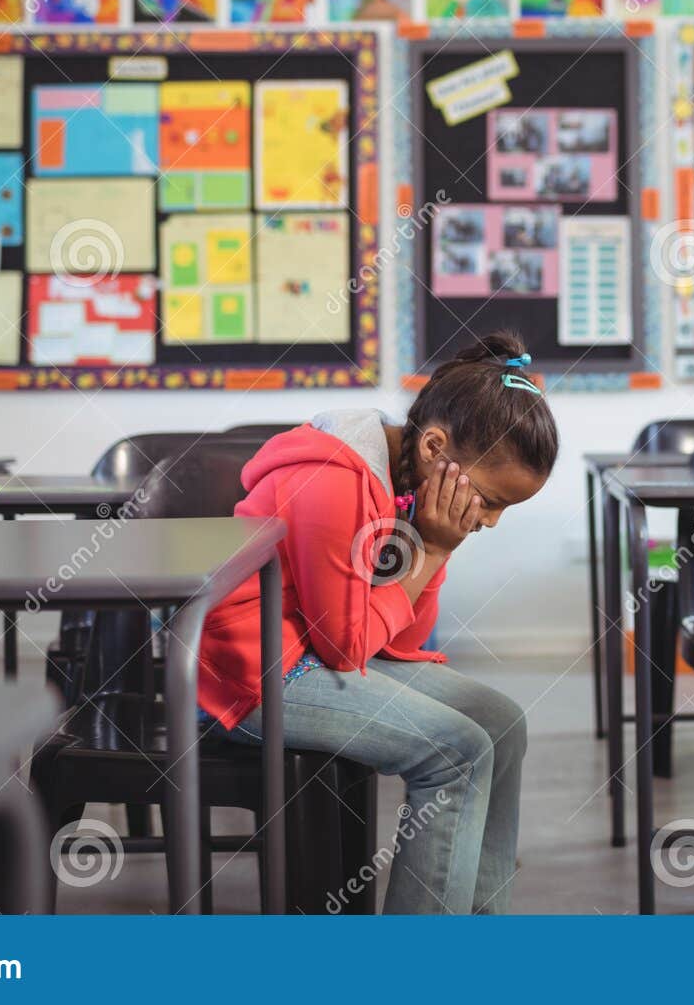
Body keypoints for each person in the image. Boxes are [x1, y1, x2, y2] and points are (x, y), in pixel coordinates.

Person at [198, 331, 559, 914]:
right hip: (255, 672)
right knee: (457, 751)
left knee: (500, 723)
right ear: (435, 447)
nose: (489, 521)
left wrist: (433, 544)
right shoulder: (334, 480)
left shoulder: (402, 479)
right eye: (491, 500)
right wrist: (436, 551)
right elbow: (347, 649)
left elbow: (400, 640)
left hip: (315, 651)